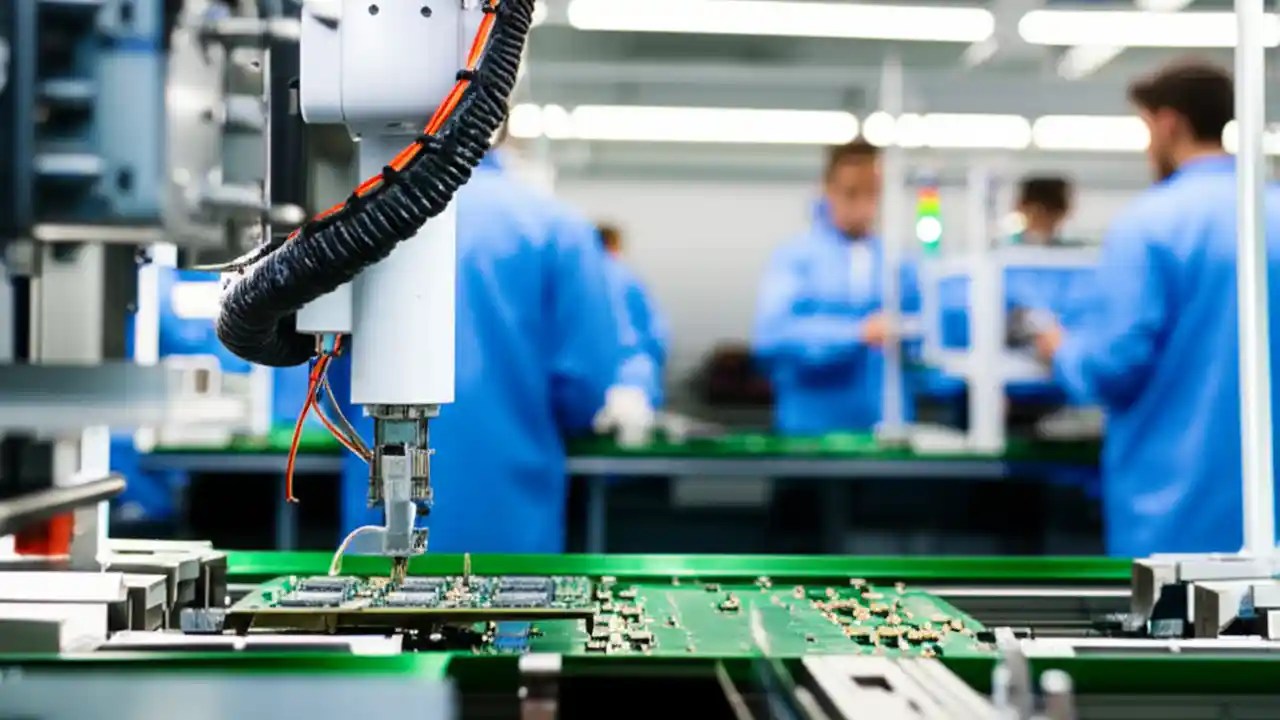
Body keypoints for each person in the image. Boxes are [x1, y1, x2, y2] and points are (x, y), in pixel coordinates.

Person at [1035, 59, 1280, 557]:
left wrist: (1061, 350)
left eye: (1146, 129)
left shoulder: (1149, 224)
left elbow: (1113, 367)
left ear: (1170, 124)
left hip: (1173, 514)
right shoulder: (1272, 211)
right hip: (1268, 519)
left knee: (1171, 633)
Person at [336, 145, 625, 554]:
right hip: (509, 519)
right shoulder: (554, 226)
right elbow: (582, 387)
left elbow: (326, 371)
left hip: (378, 518)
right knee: (508, 613)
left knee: (372, 609)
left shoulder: (359, 220)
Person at [752, 139, 917, 435]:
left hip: (885, 434)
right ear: (827, 190)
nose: (864, 206)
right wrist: (856, 333)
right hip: (810, 434)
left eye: (873, 194)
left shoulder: (898, 262)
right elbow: (772, 335)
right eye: (852, 193)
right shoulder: (796, 258)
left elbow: (925, 335)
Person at [591, 224, 671, 446]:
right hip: (635, 390)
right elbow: (657, 338)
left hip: (587, 397)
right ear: (615, 244)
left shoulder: (574, 279)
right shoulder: (626, 277)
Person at [1008, 176, 1074, 247]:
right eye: (1035, 210)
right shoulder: (1004, 248)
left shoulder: (1074, 250)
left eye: (1049, 211)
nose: (1042, 218)